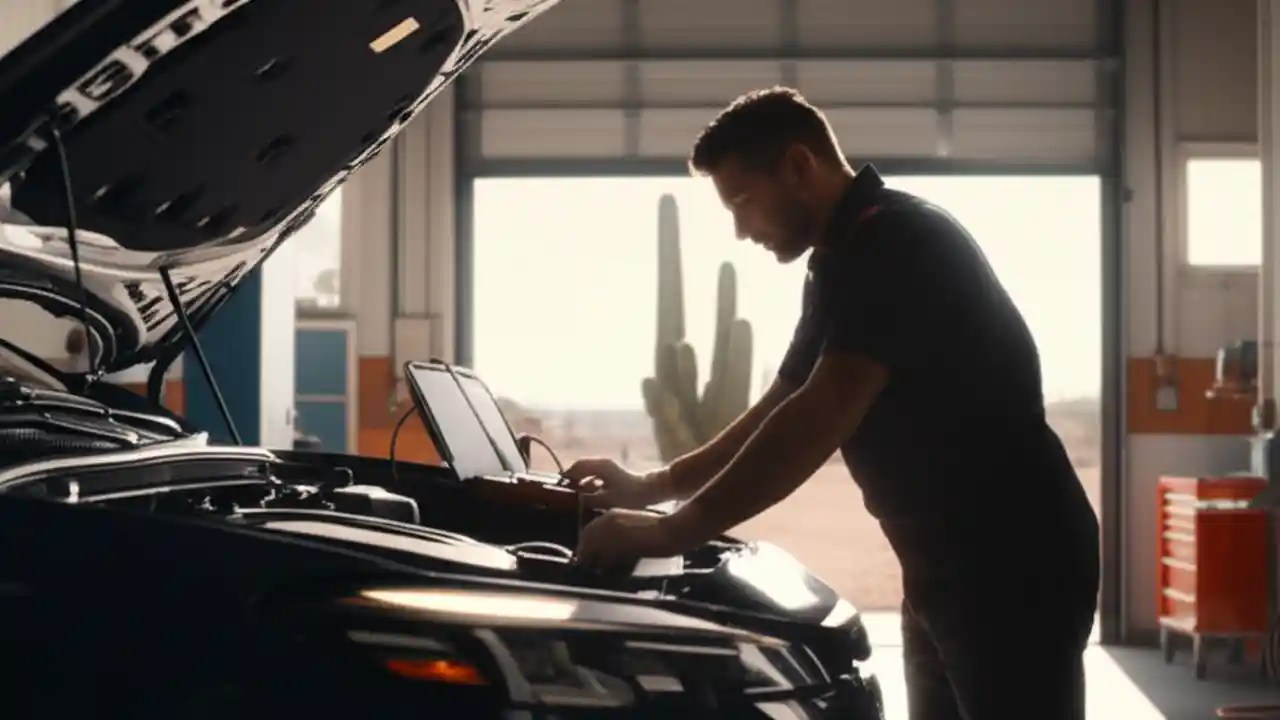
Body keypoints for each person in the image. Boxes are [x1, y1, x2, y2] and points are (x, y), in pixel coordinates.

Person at [567, 87, 1100, 720]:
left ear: (799, 166)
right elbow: (783, 400)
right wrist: (653, 486)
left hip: (1010, 561)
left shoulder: (897, 241)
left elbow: (822, 412)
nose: (739, 229)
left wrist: (675, 529)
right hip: (945, 563)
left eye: (742, 201)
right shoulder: (842, 258)